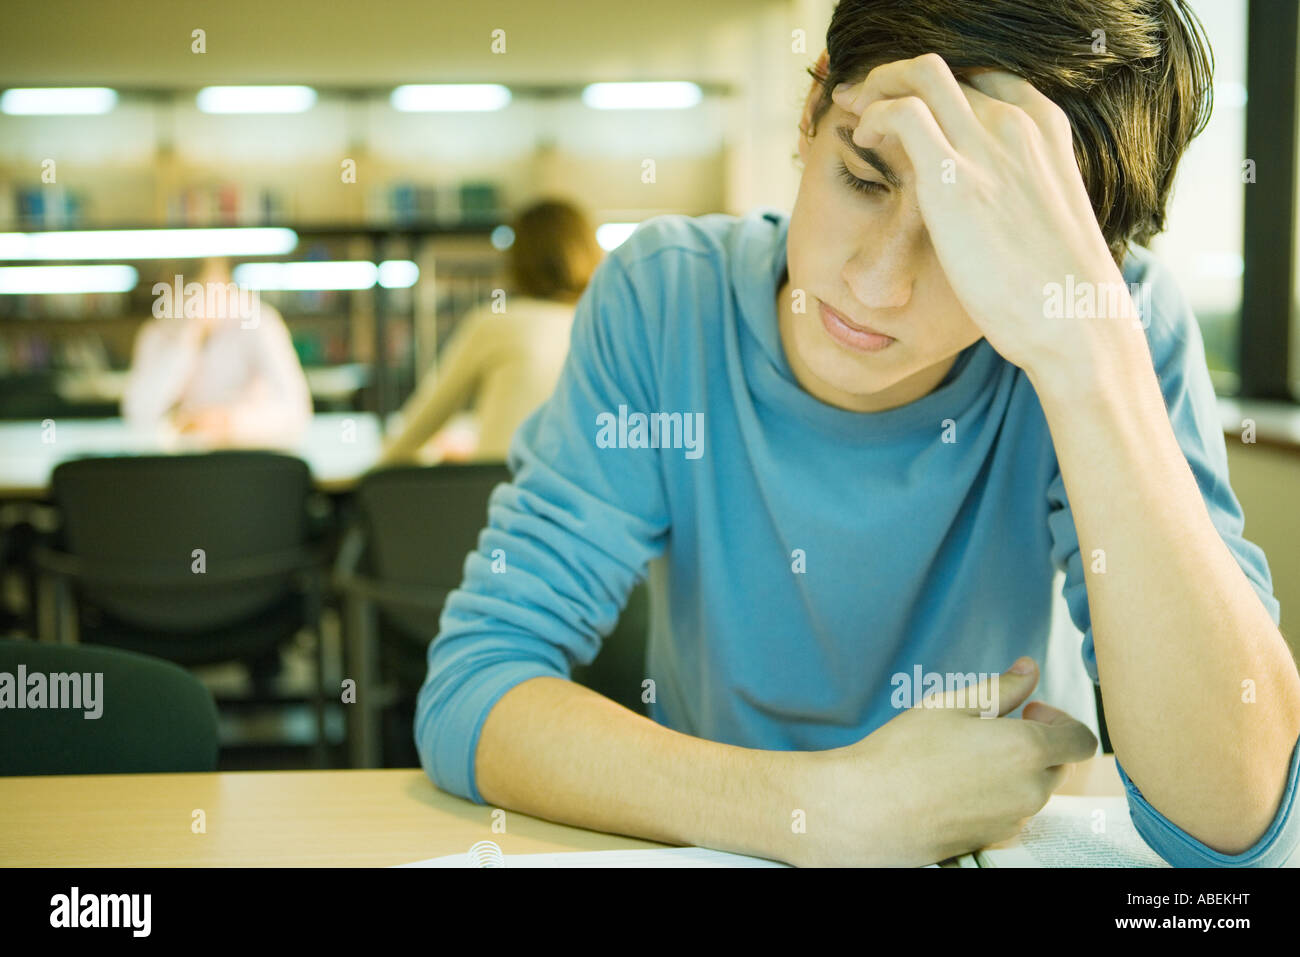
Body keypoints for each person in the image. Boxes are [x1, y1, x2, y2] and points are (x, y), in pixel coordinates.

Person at [415, 0, 1300, 868]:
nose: (876, 286)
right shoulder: (664, 298)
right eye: (864, 178)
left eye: (973, 236)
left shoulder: (1113, 323)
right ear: (812, 115)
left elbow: (1238, 820)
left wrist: (1086, 358)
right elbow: (476, 683)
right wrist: (816, 810)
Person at [374, 199, 601, 466]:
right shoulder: (608, 329)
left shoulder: (495, 323)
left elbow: (409, 438)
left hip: (500, 497)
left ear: (517, 261)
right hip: (586, 502)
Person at [122, 257, 312, 448]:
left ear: (226, 282)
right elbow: (137, 413)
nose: (195, 299)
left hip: (246, 458)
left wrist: (229, 422)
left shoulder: (259, 322)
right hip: (180, 462)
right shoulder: (158, 332)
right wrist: (189, 338)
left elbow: (296, 412)